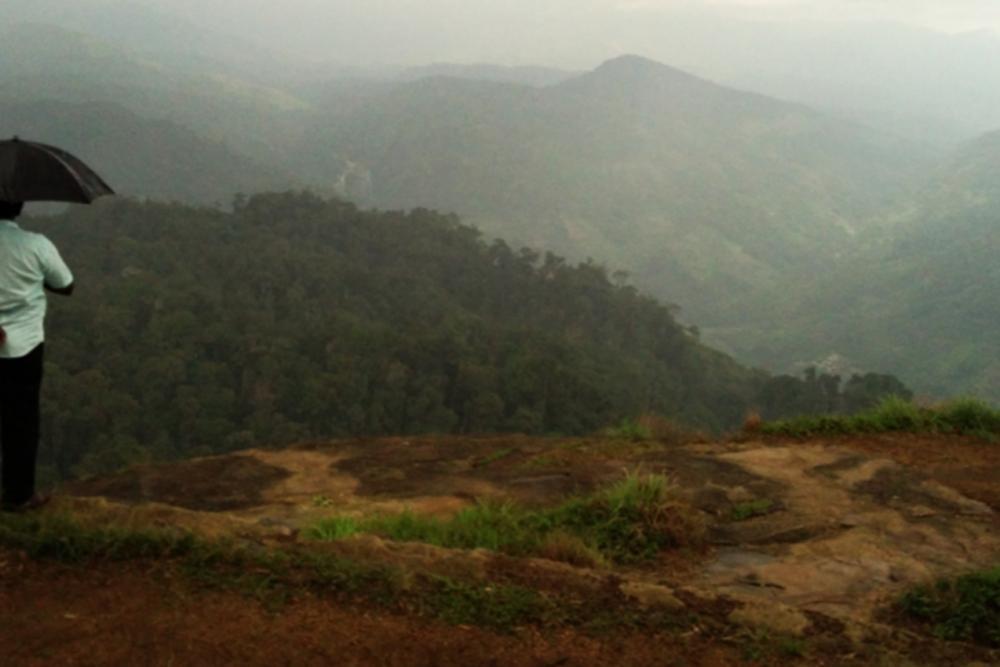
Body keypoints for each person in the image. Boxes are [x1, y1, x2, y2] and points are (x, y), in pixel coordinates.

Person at [0, 200, 74, 512]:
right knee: (22, 420)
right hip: (23, 347)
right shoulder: (36, 245)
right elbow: (66, 284)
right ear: (19, 206)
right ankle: (19, 496)